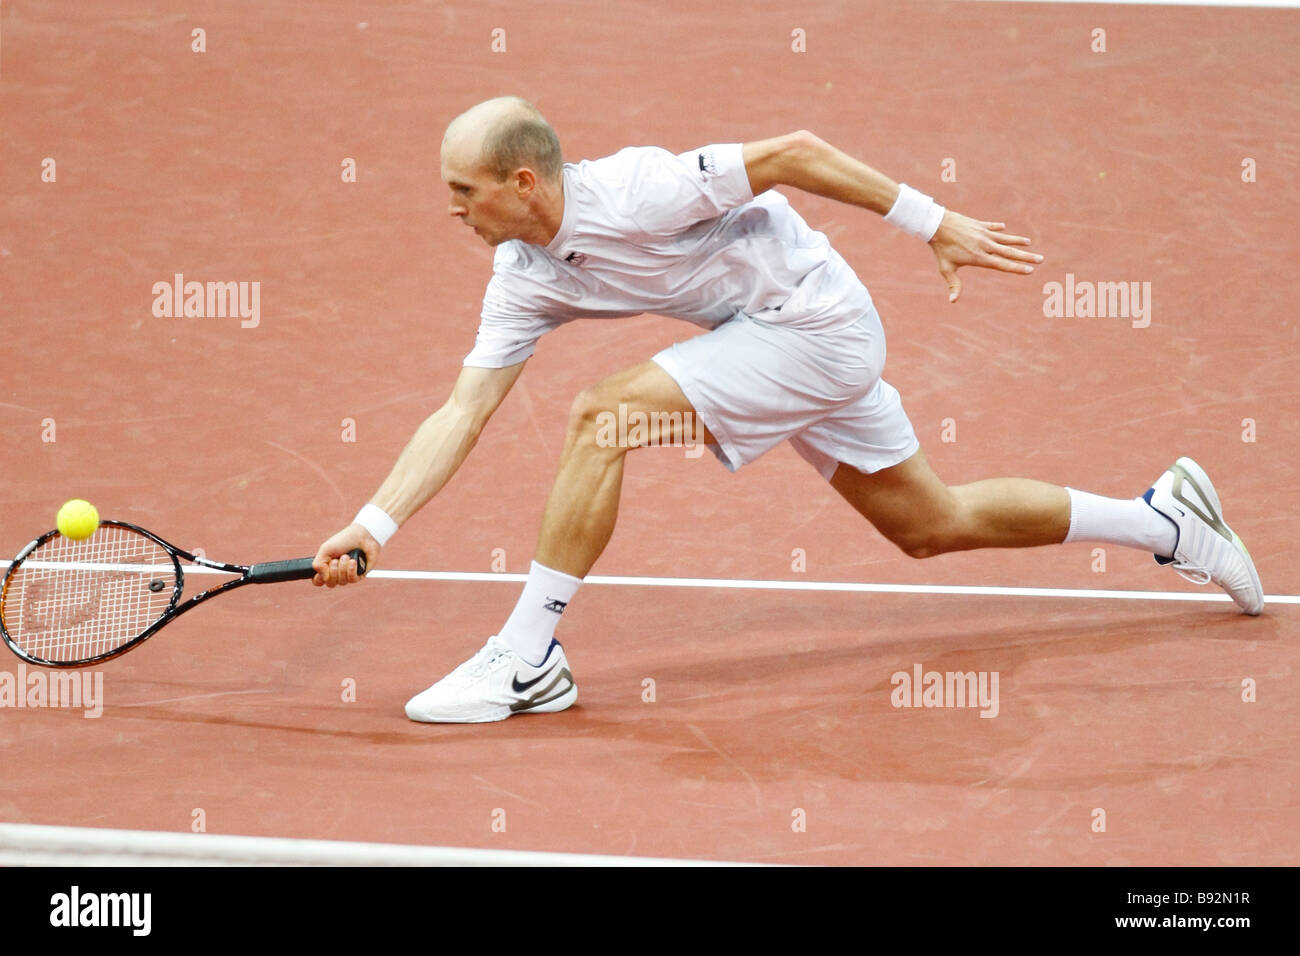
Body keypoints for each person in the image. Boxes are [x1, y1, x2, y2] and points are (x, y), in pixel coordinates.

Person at [311, 96, 1263, 723]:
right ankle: (1164, 521)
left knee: (606, 416)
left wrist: (937, 224)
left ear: (523, 183)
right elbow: (461, 410)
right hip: (763, 342)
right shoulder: (521, 278)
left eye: (462, 192)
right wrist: (372, 525)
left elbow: (795, 152)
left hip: (815, 325)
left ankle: (526, 659)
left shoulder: (637, 189)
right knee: (933, 524)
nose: (452, 211)